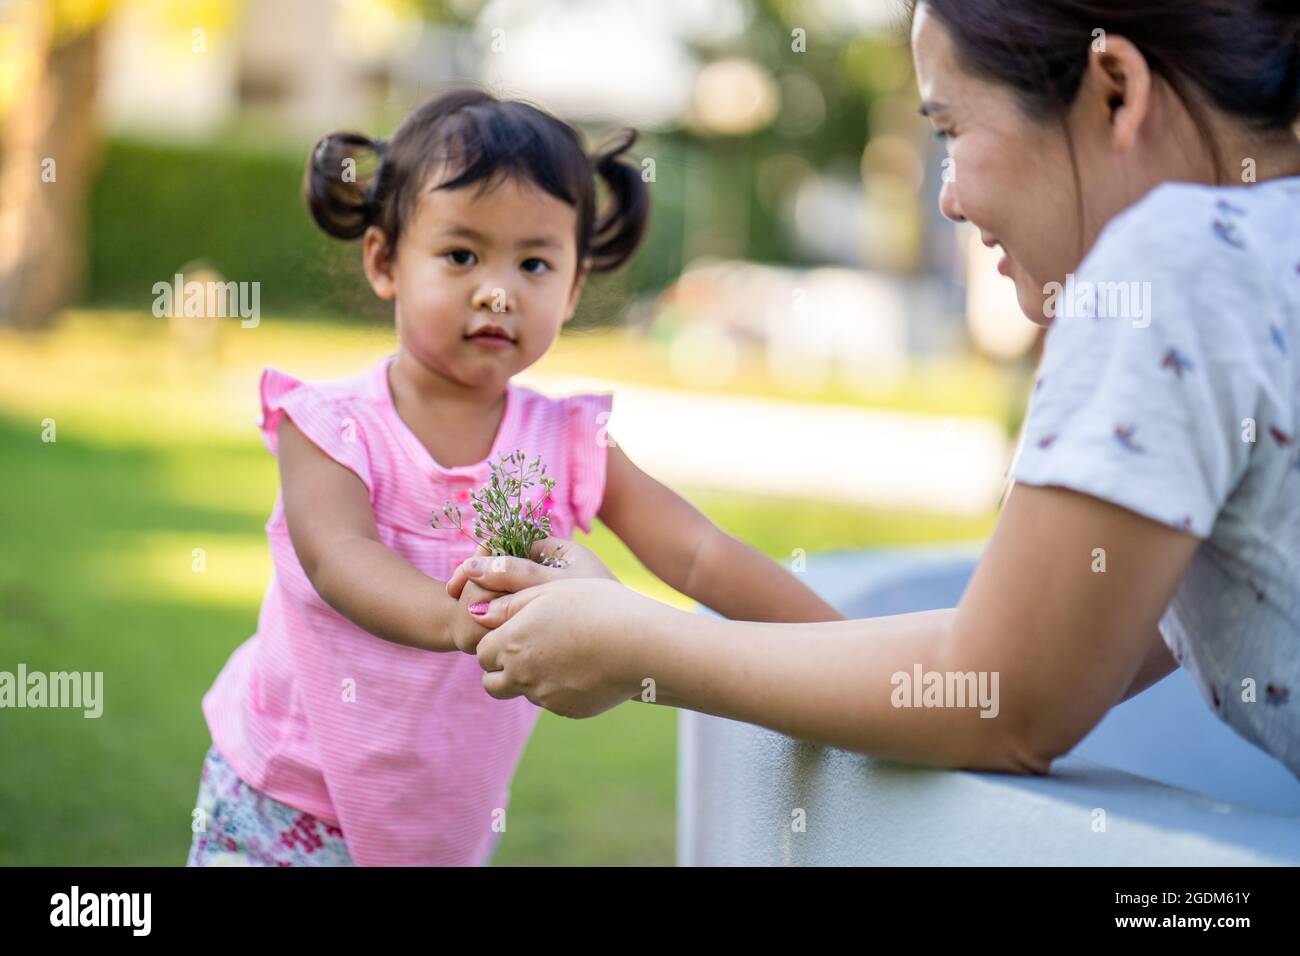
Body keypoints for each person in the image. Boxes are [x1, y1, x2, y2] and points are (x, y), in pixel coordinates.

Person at [449, 1, 1300, 782]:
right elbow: (1021, 653)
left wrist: (634, 645)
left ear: (1113, 91)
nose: (952, 198)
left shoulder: (1180, 263)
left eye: (950, 129)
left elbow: (999, 697)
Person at [187, 89, 842, 867]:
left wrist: (843, 650)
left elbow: (697, 555)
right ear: (385, 261)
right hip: (286, 798)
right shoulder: (330, 427)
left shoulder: (566, 442)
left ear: (571, 289)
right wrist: (455, 619)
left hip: (442, 814)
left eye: (533, 263)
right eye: (461, 255)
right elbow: (339, 559)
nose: (498, 291)